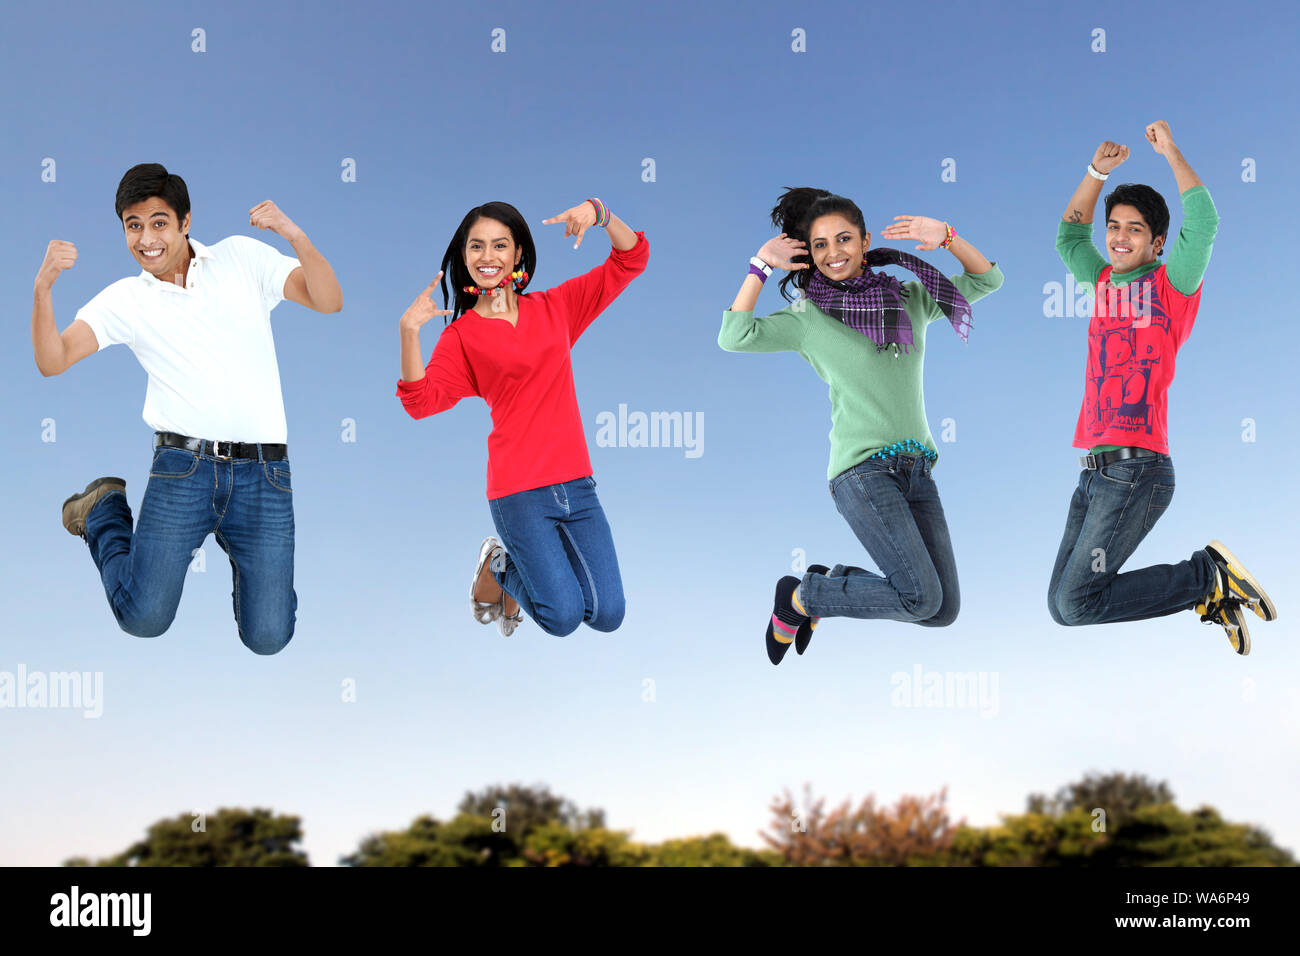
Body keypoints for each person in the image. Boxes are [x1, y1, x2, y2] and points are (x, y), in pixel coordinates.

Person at [34, 163, 342, 655]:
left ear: (185, 221)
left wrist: (293, 234)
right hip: (184, 470)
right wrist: (43, 289)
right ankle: (103, 512)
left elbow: (329, 300)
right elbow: (54, 360)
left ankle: (253, 568)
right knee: (143, 618)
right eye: (133, 226)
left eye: (158, 222)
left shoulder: (240, 258)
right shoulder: (126, 299)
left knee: (269, 637)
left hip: (264, 473)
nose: (146, 238)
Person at [719, 187, 1003, 665]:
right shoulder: (807, 318)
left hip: (917, 471)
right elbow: (734, 335)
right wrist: (761, 265)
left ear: (866, 241)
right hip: (861, 473)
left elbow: (987, 280)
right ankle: (803, 596)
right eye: (820, 245)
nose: (834, 253)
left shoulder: (909, 300)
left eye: (845, 239)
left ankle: (831, 585)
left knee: (942, 610)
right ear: (807, 254)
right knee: (920, 597)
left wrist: (948, 236)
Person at [1049, 122, 1276, 654]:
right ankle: (1210, 592)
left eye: (1134, 230)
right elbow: (1067, 238)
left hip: (1138, 468)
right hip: (1094, 472)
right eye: (1114, 226)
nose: (1119, 237)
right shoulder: (1103, 282)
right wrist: (1095, 174)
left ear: (1156, 242)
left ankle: (1205, 578)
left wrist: (1171, 153)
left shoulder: (1172, 285)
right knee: (1064, 606)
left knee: (1077, 601)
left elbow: (1205, 222)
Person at [396, 198, 647, 637]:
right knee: (561, 618)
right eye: (476, 247)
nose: (487, 257)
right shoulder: (461, 337)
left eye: (499, 245)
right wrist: (409, 333)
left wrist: (601, 213)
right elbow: (421, 402)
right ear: (464, 256)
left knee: (608, 615)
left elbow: (631, 259)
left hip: (576, 484)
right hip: (518, 492)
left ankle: (514, 566)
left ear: (517, 255)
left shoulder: (556, 308)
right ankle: (499, 566)